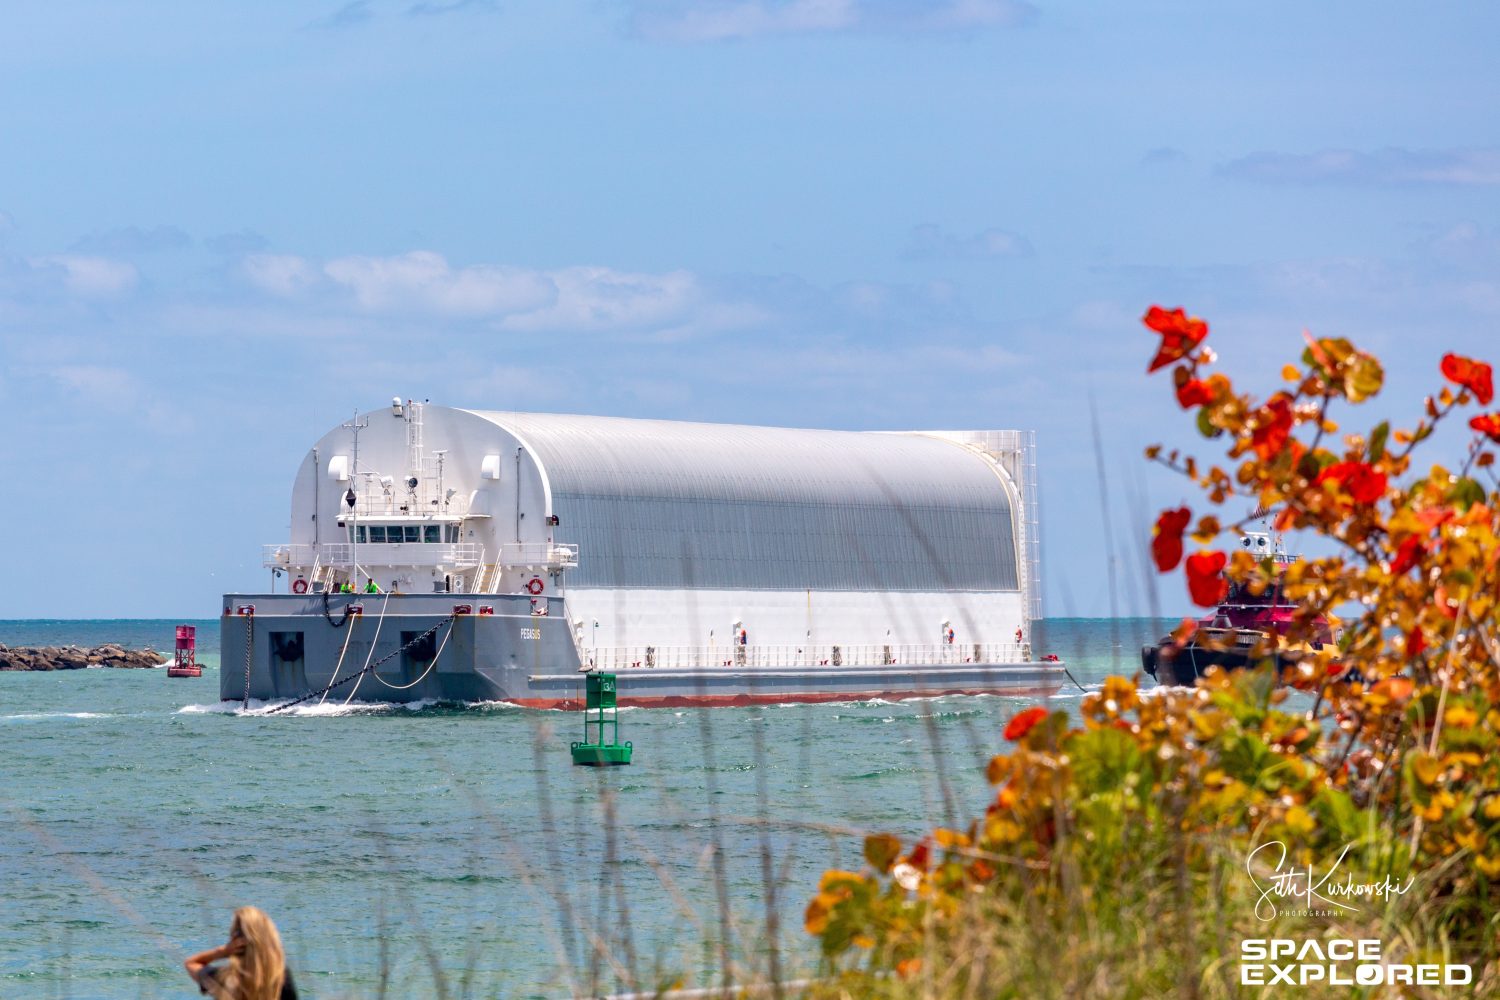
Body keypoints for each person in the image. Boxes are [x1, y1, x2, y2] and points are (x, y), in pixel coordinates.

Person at [184, 906, 298, 999]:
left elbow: (191, 963)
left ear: (235, 940)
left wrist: (224, 951)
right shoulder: (280, 977)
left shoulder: (224, 978)